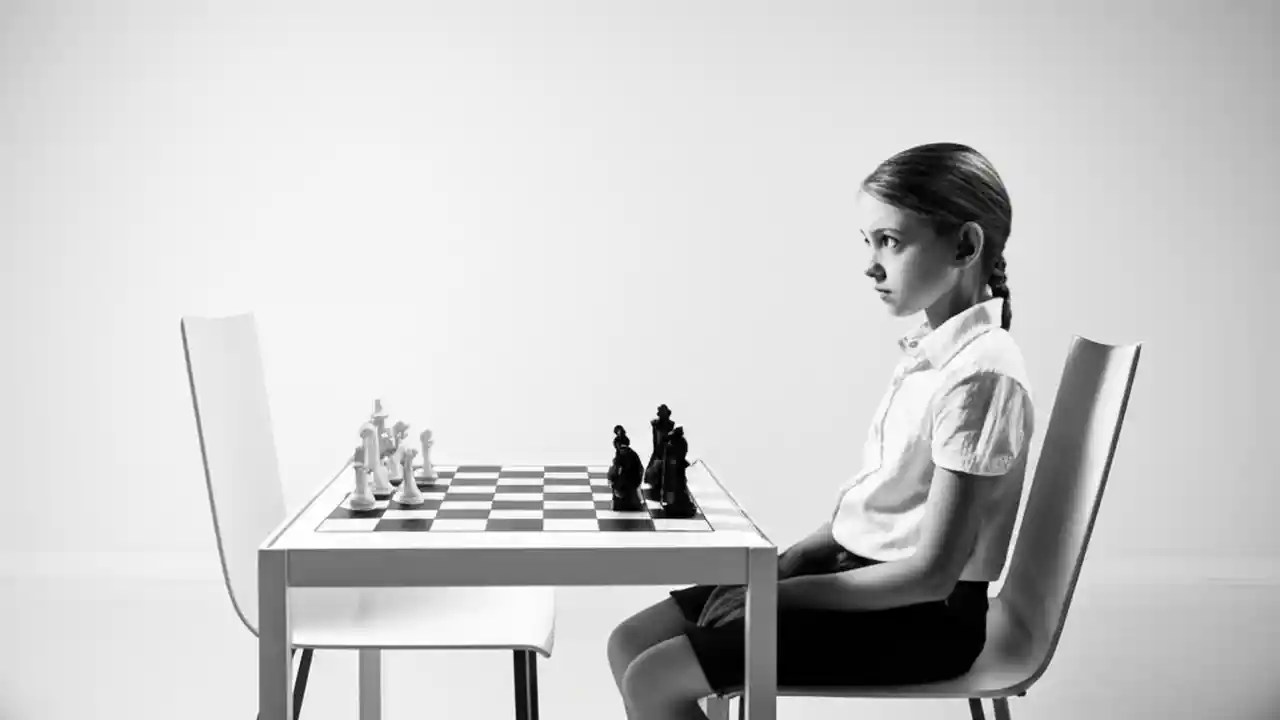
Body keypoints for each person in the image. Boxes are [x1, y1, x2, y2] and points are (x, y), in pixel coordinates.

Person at [605, 142, 1036, 720]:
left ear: (965, 244)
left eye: (891, 241)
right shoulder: (932, 356)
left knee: (656, 677)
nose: (871, 264)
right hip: (857, 575)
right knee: (630, 643)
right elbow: (882, 508)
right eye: (869, 242)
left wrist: (776, 598)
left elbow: (932, 576)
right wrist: (789, 561)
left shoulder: (981, 375)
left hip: (921, 620)